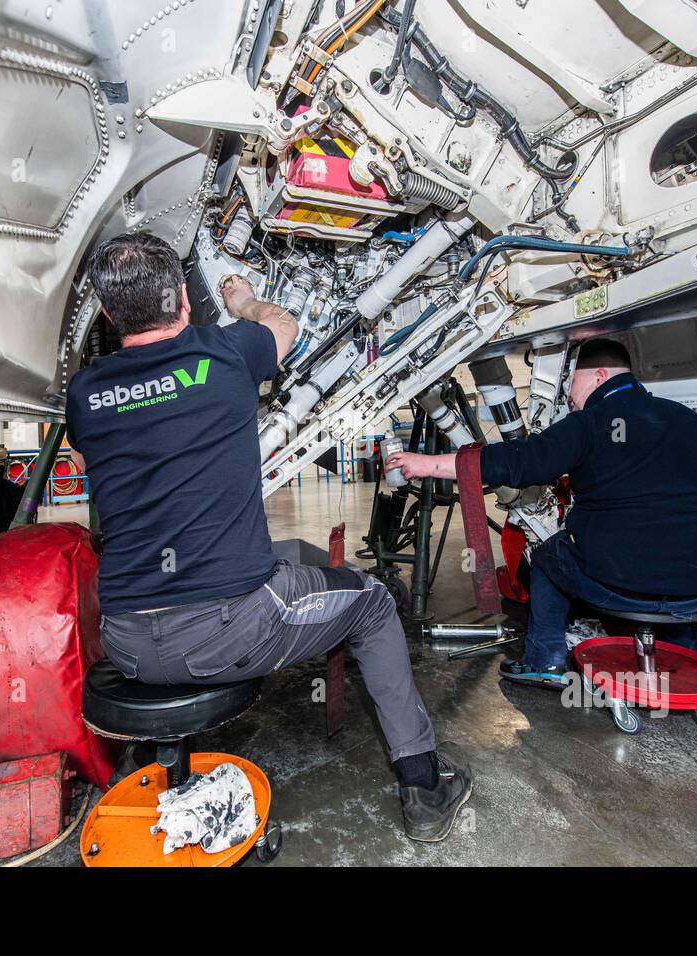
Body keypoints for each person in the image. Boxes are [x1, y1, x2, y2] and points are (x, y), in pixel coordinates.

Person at [65, 231, 471, 842]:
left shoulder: (86, 393)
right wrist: (246, 302)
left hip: (124, 637)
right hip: (226, 627)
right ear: (183, 297)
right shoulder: (226, 352)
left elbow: (84, 454)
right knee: (375, 603)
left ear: (105, 312)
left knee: (279, 567)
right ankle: (424, 786)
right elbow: (285, 326)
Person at [387, 338, 697, 687]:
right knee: (677, 554)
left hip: (623, 580)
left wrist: (426, 464)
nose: (568, 393)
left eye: (573, 382)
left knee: (549, 555)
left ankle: (545, 661)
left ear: (599, 377)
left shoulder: (590, 423)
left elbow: (516, 462)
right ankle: (689, 655)